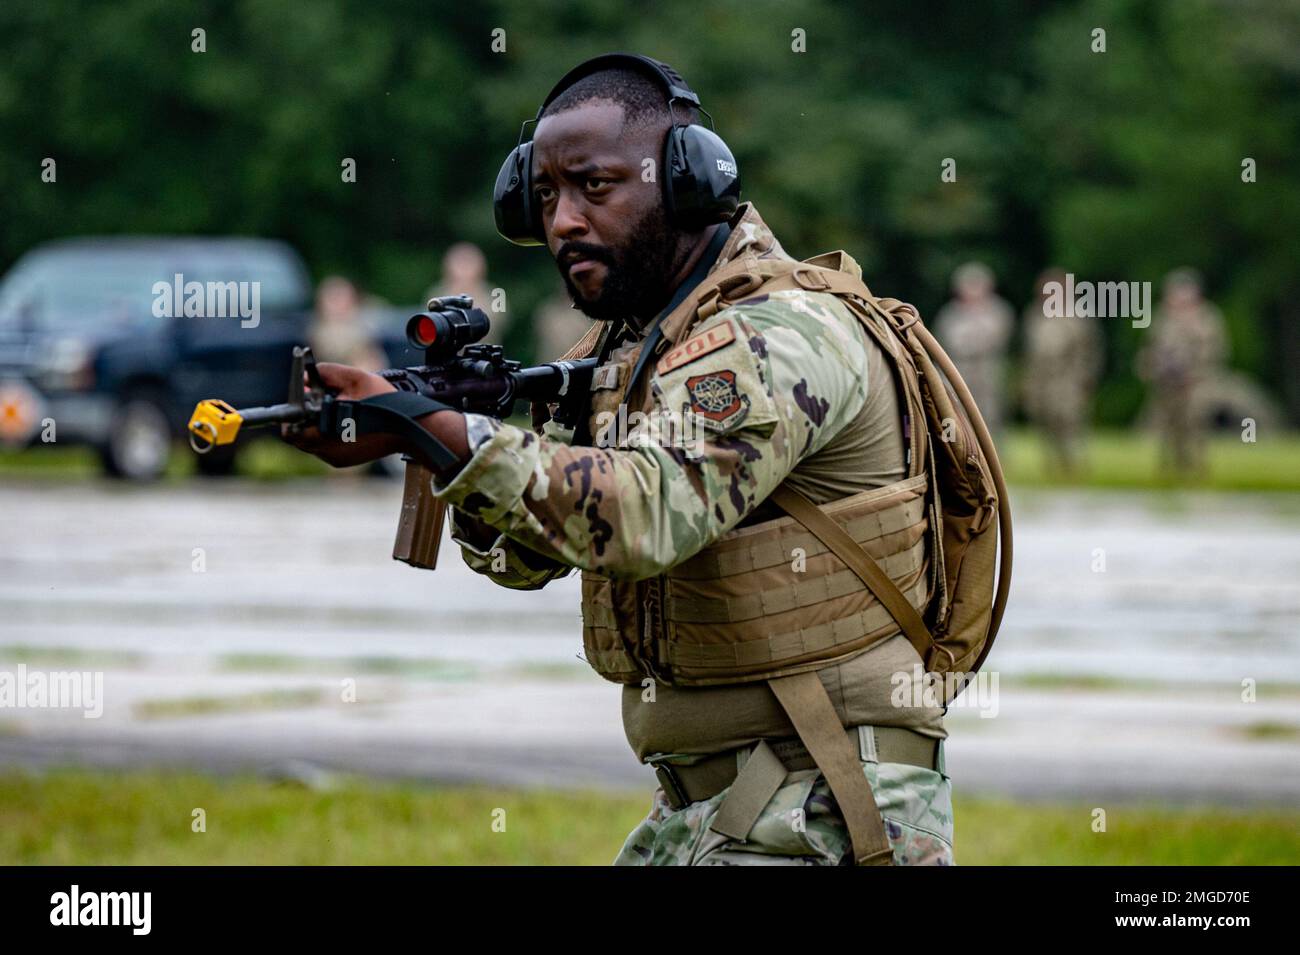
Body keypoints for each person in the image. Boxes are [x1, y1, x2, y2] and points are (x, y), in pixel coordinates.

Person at [283, 55, 953, 866]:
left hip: (822, 805)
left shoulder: (777, 334)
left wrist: (448, 434)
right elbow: (532, 560)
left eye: (593, 187)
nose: (563, 220)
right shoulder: (633, 348)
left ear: (684, 183)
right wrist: (443, 435)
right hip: (717, 804)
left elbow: (641, 514)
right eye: (545, 197)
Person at [1137, 268, 1228, 476]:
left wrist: (1192, 372)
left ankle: (1197, 469)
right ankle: (1170, 470)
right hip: (1168, 385)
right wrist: (1151, 367)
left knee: (1195, 424)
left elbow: (1214, 352)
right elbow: (1152, 348)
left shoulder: (1207, 318)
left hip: (1197, 383)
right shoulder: (1163, 319)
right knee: (1169, 427)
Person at [1022, 267, 1103, 476]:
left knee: (1070, 422)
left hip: (1068, 380)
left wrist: (1086, 380)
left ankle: (1074, 465)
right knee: (1044, 421)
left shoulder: (1078, 316)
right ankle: (1051, 465)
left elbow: (1090, 352)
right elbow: (1030, 352)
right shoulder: (1035, 315)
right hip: (1041, 380)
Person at [934, 262, 1014, 441]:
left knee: (990, 417)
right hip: (959, 372)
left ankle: (993, 460)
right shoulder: (950, 313)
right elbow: (945, 343)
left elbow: (994, 339)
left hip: (988, 373)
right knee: (957, 415)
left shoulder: (998, 311)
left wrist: (970, 343)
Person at [427, 242, 511, 346]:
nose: (464, 269)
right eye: (459, 263)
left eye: (469, 263)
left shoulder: (496, 293)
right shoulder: (437, 293)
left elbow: (501, 323)